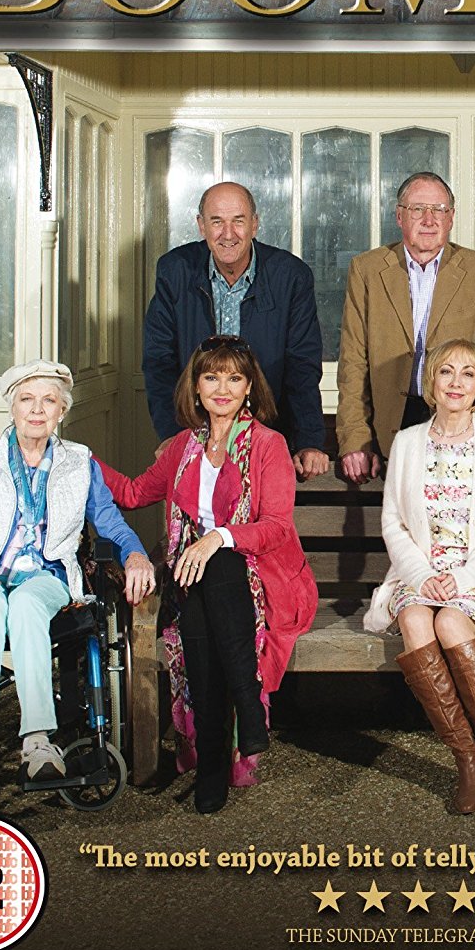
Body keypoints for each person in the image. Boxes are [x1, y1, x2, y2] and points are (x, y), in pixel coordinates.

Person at [100, 335, 317, 814]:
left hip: (261, 575)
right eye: (211, 376)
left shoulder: (267, 444)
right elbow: (135, 493)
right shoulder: (183, 446)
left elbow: (277, 527)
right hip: (194, 579)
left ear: (248, 388)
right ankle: (240, 712)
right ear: (195, 387)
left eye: (234, 378)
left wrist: (216, 537)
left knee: (213, 564)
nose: (222, 387)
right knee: (196, 580)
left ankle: (214, 757)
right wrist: (79, 459)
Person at [0, 361, 155, 790]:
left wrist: (135, 554)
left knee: (25, 604)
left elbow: (111, 522)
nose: (37, 410)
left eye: (49, 401)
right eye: (27, 399)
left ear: (62, 411)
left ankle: (38, 741)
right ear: (12, 409)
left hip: (45, 578)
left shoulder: (80, 463)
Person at [364, 338, 475, 816]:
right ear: (430, 383)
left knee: (451, 622)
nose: (456, 382)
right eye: (446, 372)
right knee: (417, 619)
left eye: (468, 374)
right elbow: (392, 520)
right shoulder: (408, 441)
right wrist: (424, 574)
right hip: (419, 572)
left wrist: (464, 578)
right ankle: (468, 764)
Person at [337, 172, 475, 483]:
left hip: (459, 421)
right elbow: (353, 362)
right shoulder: (367, 269)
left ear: (450, 218)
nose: (429, 219)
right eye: (417, 209)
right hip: (391, 425)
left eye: (438, 209)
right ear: (399, 216)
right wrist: (356, 438)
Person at [142, 181, 329, 478]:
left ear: (254, 225)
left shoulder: (290, 276)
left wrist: (309, 440)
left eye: (238, 221)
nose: (228, 234)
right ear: (201, 227)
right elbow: (159, 361)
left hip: (269, 434)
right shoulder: (174, 271)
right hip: (195, 435)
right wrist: (170, 435)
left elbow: (301, 365)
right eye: (217, 221)